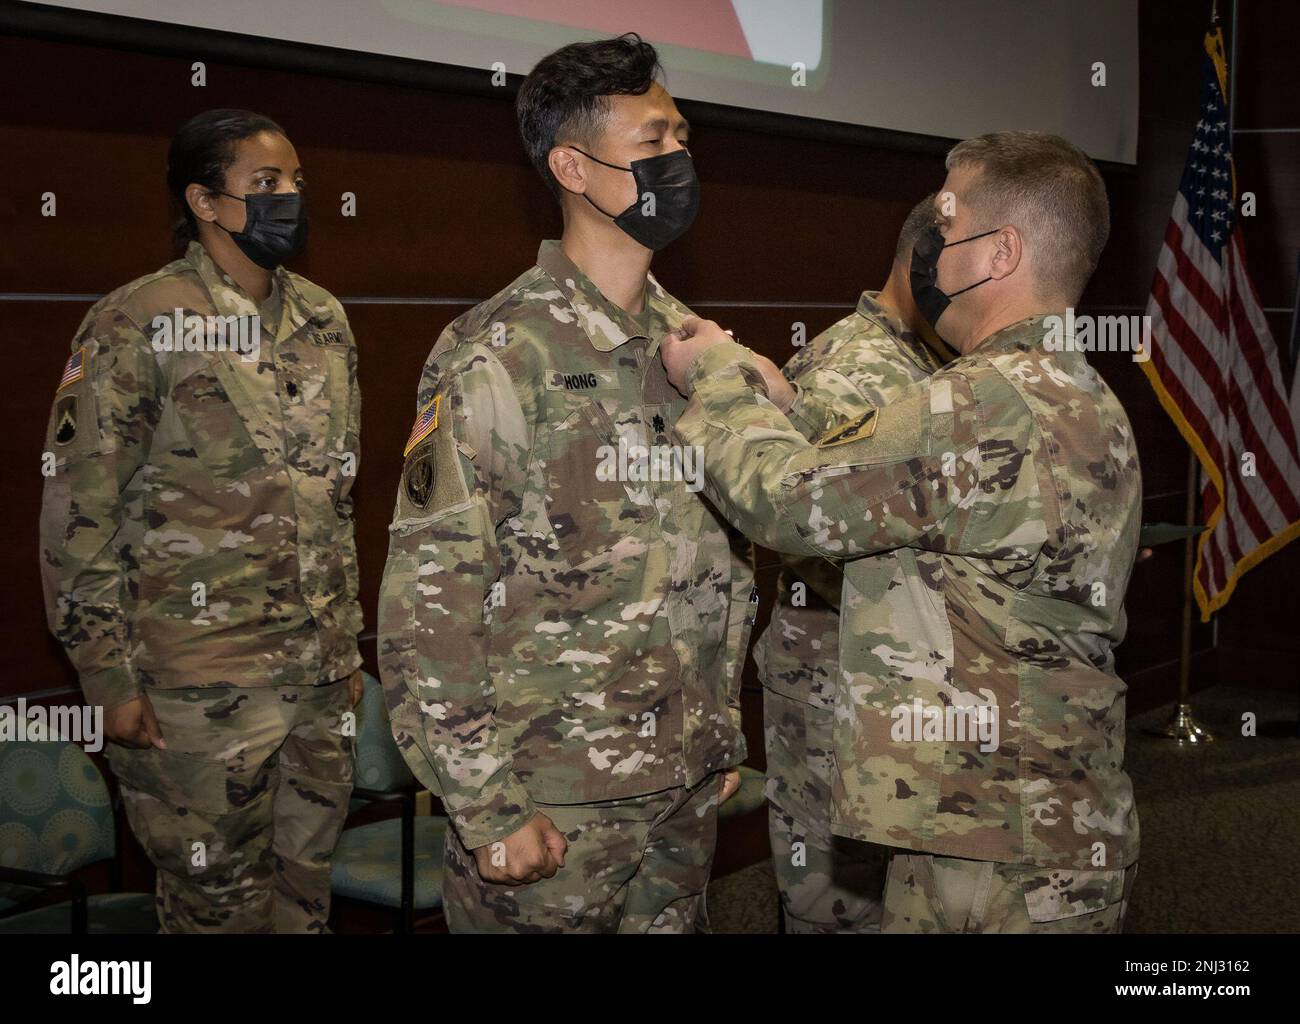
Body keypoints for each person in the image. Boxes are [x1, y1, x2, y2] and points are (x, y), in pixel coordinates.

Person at [663, 131, 1142, 933]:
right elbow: (897, 476)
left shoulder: (986, 401)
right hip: (1035, 815)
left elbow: (784, 501)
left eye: (947, 233)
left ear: (1000, 253)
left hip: (992, 846)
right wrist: (791, 405)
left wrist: (714, 374)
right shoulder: (1074, 391)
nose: (931, 254)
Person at [377, 34, 755, 933]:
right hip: (553, 801)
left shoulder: (697, 347)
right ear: (572, 167)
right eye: (653, 142)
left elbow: (722, 556)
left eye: (684, 138)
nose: (680, 160)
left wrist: (718, 721)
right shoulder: (498, 352)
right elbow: (430, 602)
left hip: (685, 778)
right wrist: (486, 805)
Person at [39, 108, 364, 933]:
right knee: (214, 909)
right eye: (266, 185)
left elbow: (336, 497)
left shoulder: (324, 320)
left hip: (320, 679)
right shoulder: (138, 319)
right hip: (195, 685)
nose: (291, 197)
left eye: (297, 182)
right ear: (207, 201)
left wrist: (348, 650)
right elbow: (80, 510)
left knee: (305, 901)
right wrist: (104, 679)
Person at [759, 195, 950, 933]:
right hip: (835, 670)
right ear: (924, 262)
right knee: (838, 897)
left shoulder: (935, 365)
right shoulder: (851, 371)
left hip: (901, 675)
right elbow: (799, 524)